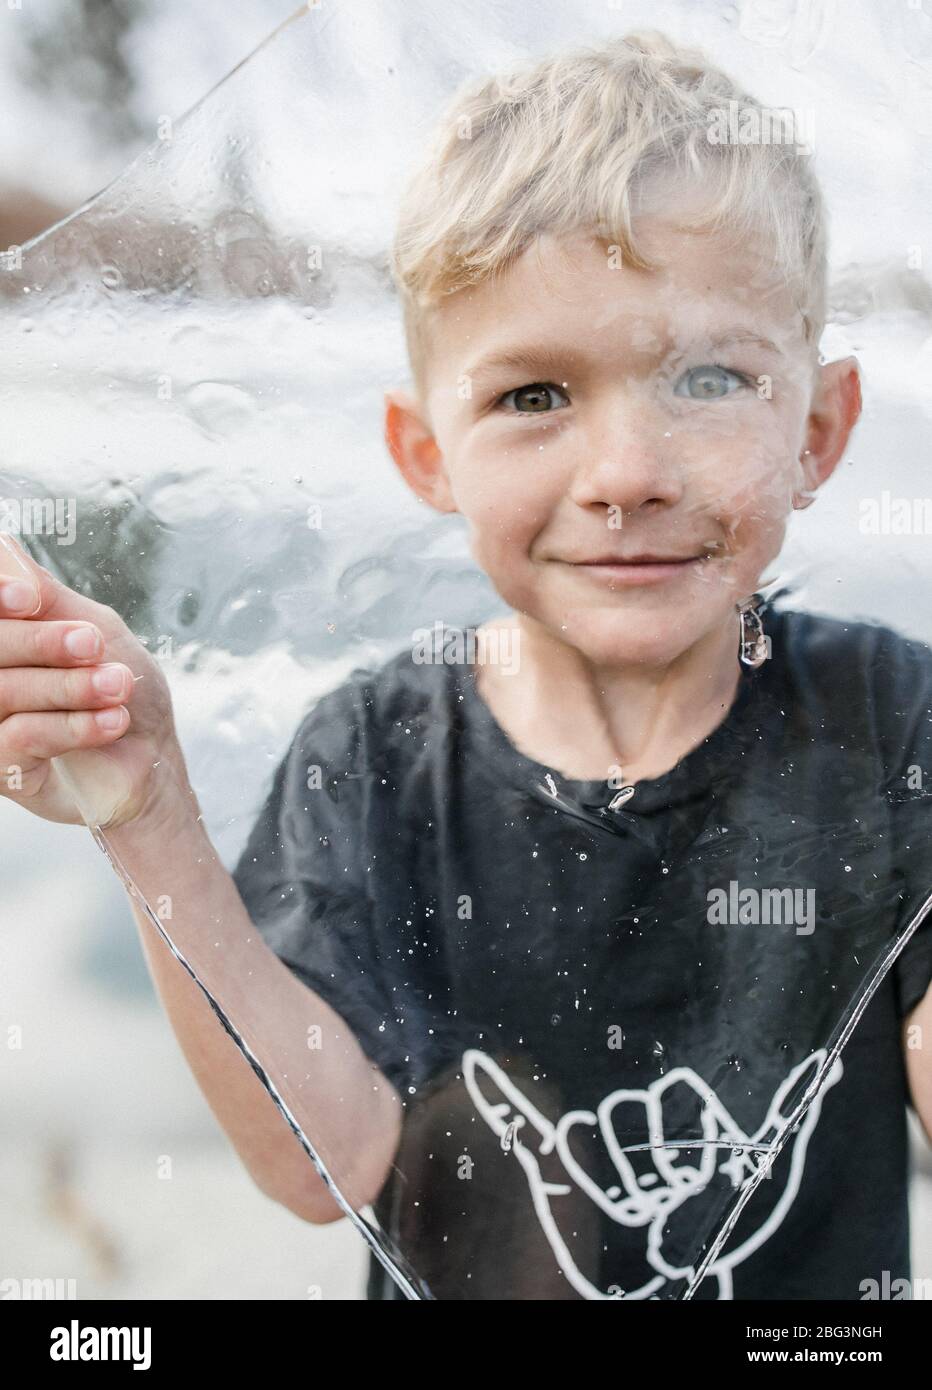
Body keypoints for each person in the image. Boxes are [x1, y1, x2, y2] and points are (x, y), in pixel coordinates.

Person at [0, 31, 930, 1300]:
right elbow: (320, 1167)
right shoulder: (376, 756)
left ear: (817, 429)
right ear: (425, 450)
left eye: (708, 377)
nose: (623, 476)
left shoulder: (892, 723)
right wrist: (150, 812)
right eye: (535, 396)